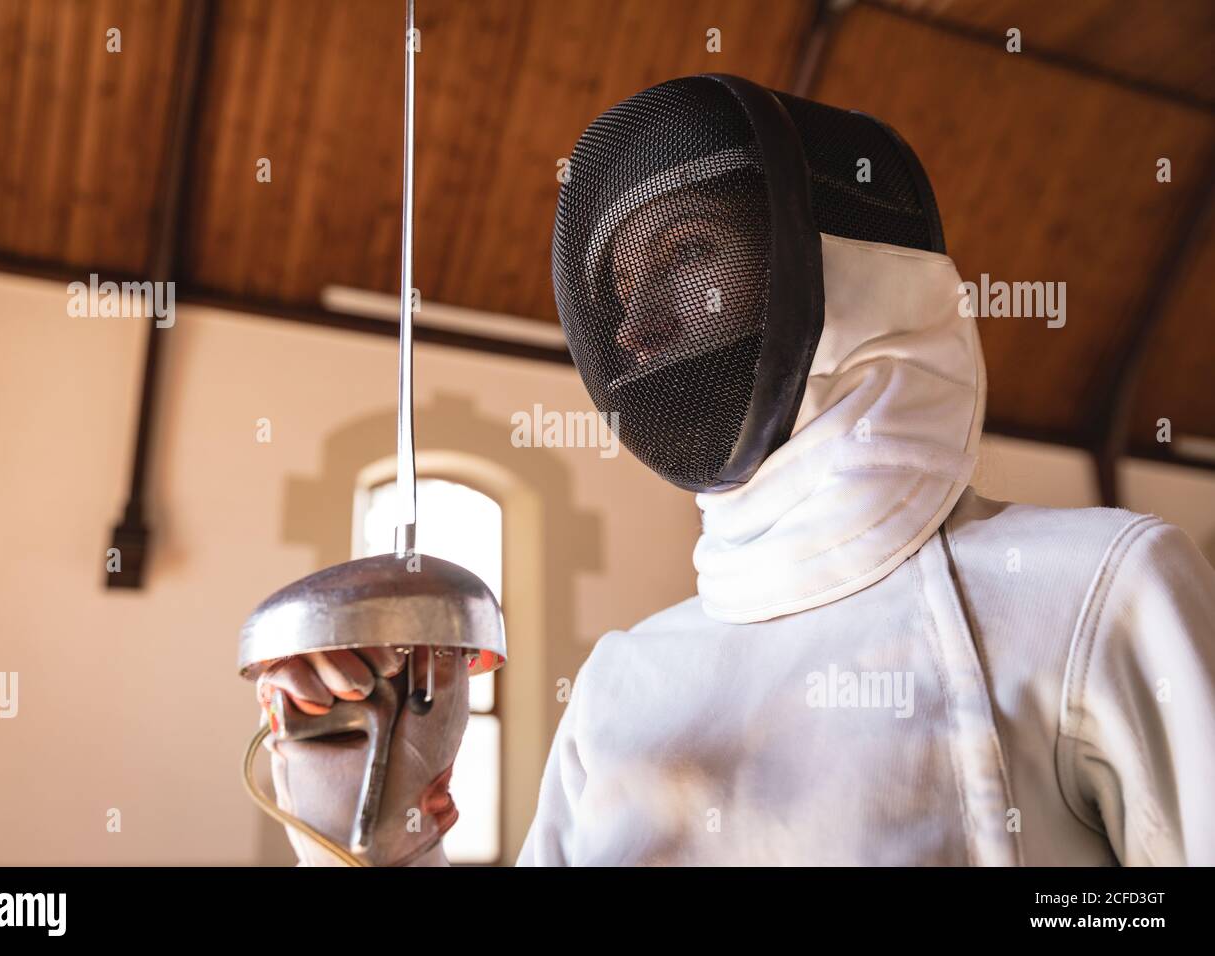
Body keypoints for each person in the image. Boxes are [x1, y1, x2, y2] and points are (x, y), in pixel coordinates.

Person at [257, 75, 1215, 866]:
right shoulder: (621, 682)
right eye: (624, 298)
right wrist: (372, 835)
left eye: (686, 268)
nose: (633, 333)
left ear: (846, 269)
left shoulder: (1101, 589)